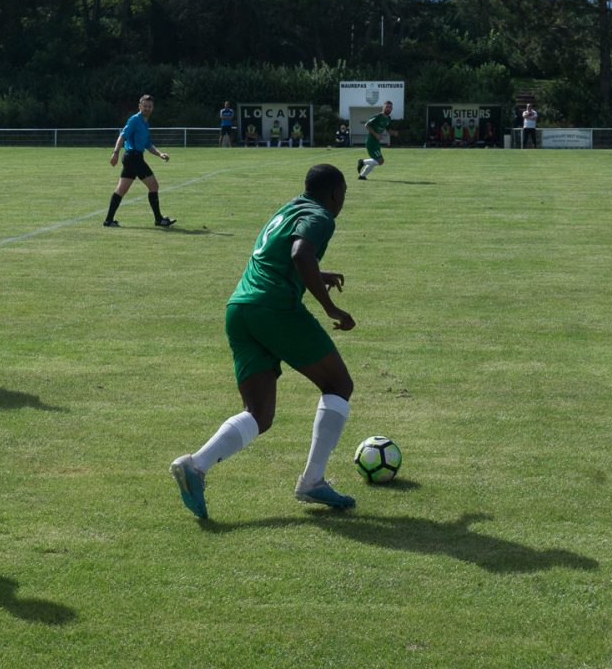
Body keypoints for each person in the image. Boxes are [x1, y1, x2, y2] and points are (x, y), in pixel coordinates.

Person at [170, 163, 356, 519]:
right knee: (338, 384)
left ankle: (195, 466)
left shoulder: (289, 208)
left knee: (259, 414)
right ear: (335, 193)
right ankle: (312, 481)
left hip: (240, 308)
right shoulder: (321, 215)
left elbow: (284, 255)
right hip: (273, 309)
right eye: (343, 195)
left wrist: (318, 273)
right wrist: (331, 308)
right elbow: (300, 253)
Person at [103, 95, 175, 228]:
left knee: (121, 190)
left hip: (133, 158)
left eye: (150, 106)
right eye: (145, 105)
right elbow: (122, 136)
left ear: (152, 108)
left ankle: (108, 220)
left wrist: (160, 154)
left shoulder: (144, 123)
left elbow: (147, 144)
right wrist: (115, 153)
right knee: (153, 186)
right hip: (133, 157)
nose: (147, 108)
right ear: (139, 106)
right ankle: (159, 219)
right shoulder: (135, 120)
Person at [357, 101, 398, 180]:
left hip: (376, 142)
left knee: (375, 161)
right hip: (371, 142)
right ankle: (362, 162)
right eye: (387, 107)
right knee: (380, 161)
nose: (388, 109)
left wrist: (393, 133)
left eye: (390, 107)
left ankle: (362, 176)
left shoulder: (388, 118)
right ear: (383, 107)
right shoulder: (378, 116)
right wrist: (376, 134)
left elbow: (388, 129)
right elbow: (366, 125)